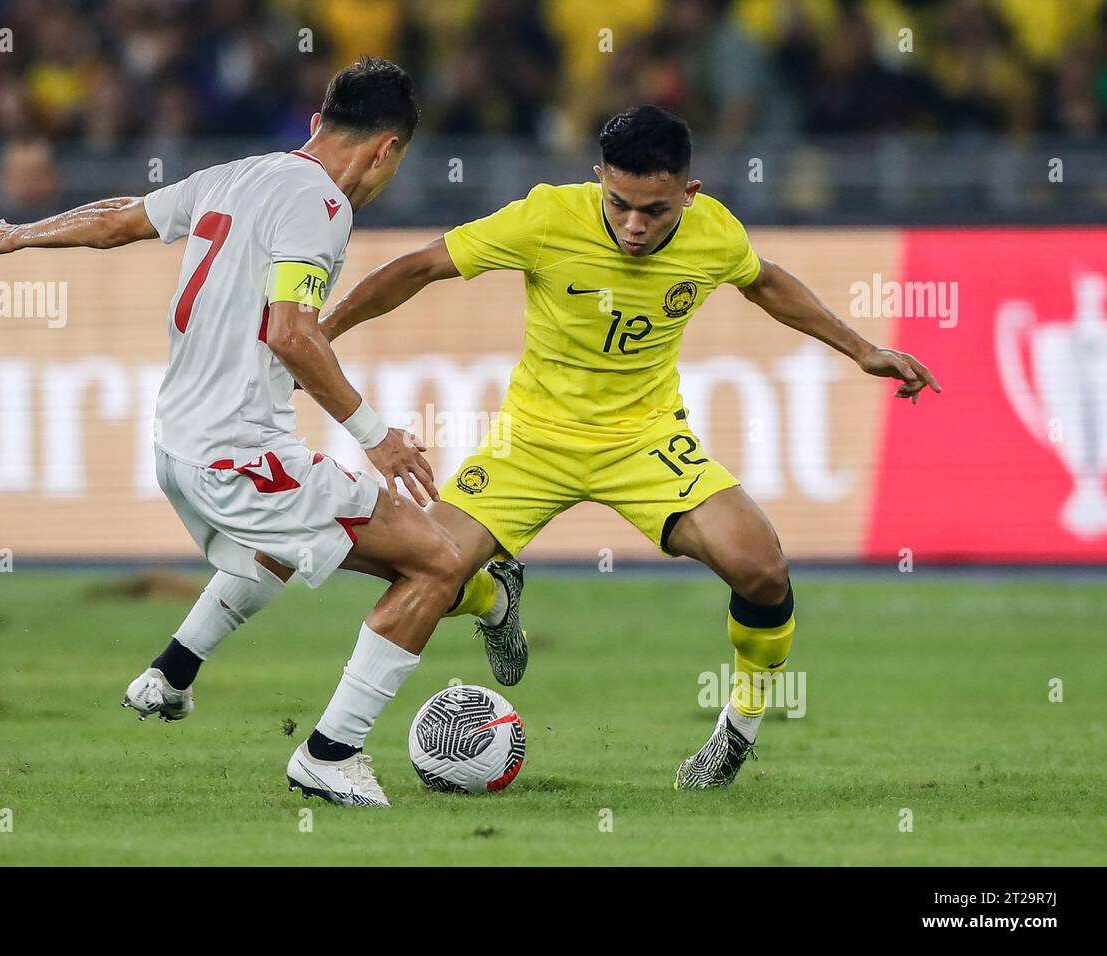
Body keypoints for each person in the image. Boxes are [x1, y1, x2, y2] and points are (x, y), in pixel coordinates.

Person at [317, 105, 942, 789]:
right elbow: (420, 268)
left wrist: (863, 350)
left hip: (645, 442)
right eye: (620, 205)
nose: (635, 226)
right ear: (598, 181)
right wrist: (323, 334)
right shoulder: (547, 217)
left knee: (761, 568)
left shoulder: (712, 232)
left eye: (655, 210)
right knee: (419, 569)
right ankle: (494, 601)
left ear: (689, 195)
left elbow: (763, 282)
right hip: (533, 445)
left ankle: (738, 730)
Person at [0, 58, 463, 809]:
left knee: (285, 543)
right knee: (435, 566)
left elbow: (122, 217)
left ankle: (171, 673)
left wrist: (22, 235)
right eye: (392, 162)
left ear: (316, 125)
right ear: (386, 150)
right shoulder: (322, 208)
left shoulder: (237, 175)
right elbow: (292, 335)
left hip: (177, 449)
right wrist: (376, 437)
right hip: (237, 454)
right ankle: (330, 754)